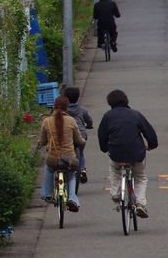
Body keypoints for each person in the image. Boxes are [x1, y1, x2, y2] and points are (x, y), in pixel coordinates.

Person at [97, 89, 158, 218]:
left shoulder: (108, 116)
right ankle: (140, 203)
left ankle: (115, 193)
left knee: (115, 170)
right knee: (140, 178)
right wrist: (151, 146)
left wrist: (105, 148)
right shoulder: (136, 115)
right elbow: (150, 133)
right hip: (136, 154)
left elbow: (102, 135)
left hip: (116, 154)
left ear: (110, 102)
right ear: (126, 100)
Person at [37, 96, 85, 212]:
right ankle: (72, 198)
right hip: (69, 160)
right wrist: (83, 141)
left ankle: (47, 193)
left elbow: (43, 141)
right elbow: (79, 140)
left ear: (54, 106)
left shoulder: (47, 121)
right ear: (66, 107)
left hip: (53, 159)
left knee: (49, 168)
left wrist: (40, 143)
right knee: (72, 176)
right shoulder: (71, 121)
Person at [63, 86, 93, 184]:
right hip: (81, 134)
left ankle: (66, 168)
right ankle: (82, 169)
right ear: (77, 97)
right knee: (81, 152)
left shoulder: (62, 110)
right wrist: (89, 125)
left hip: (67, 135)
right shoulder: (82, 110)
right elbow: (89, 120)